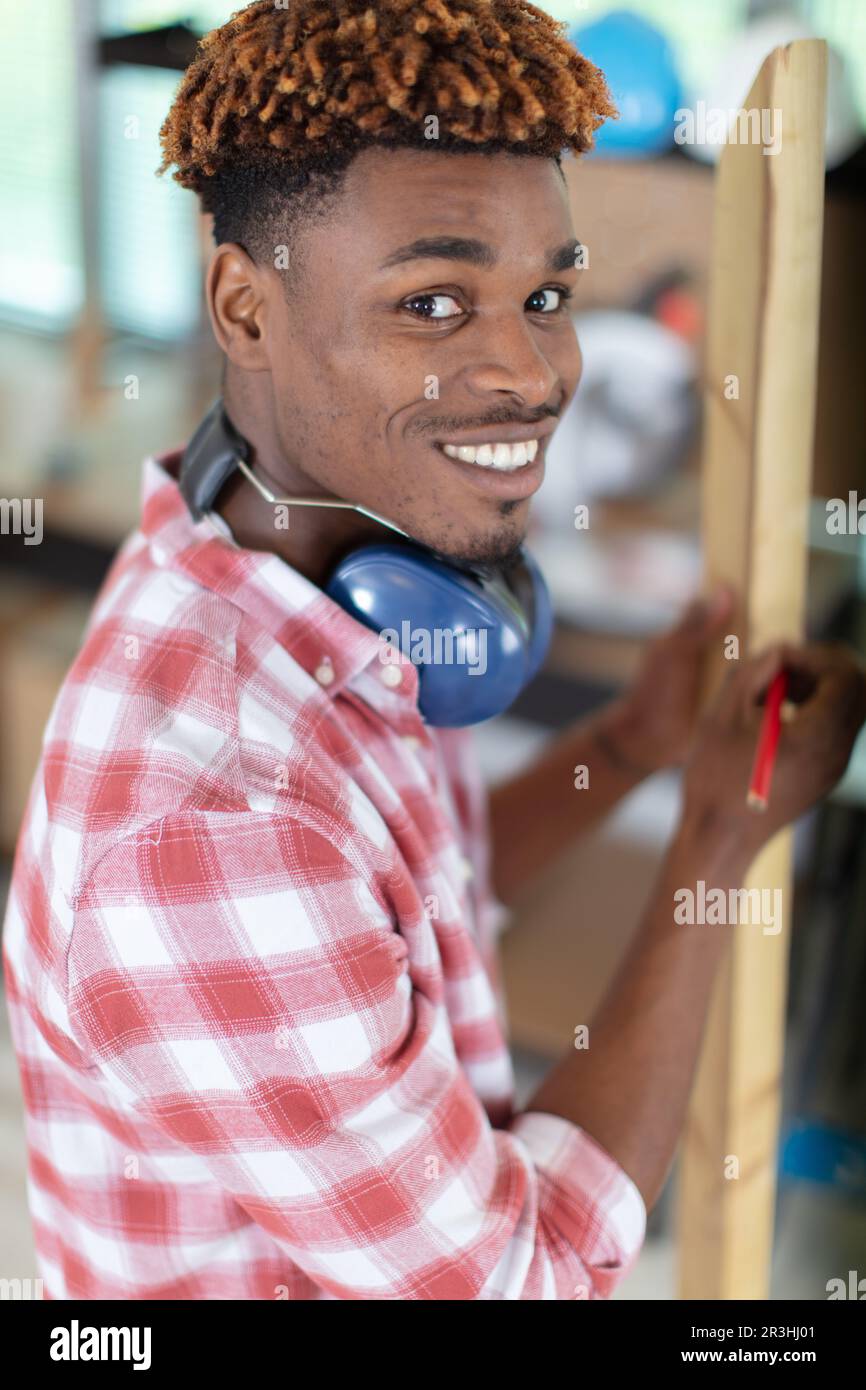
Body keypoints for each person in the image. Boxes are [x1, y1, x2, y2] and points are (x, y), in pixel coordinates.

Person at [3, 0, 864, 1301]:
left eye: (545, 295)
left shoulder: (272, 564)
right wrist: (718, 839)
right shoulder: (217, 827)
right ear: (244, 308)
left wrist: (629, 746)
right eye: (434, 301)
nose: (532, 371)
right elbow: (524, 1272)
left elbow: (413, 903)